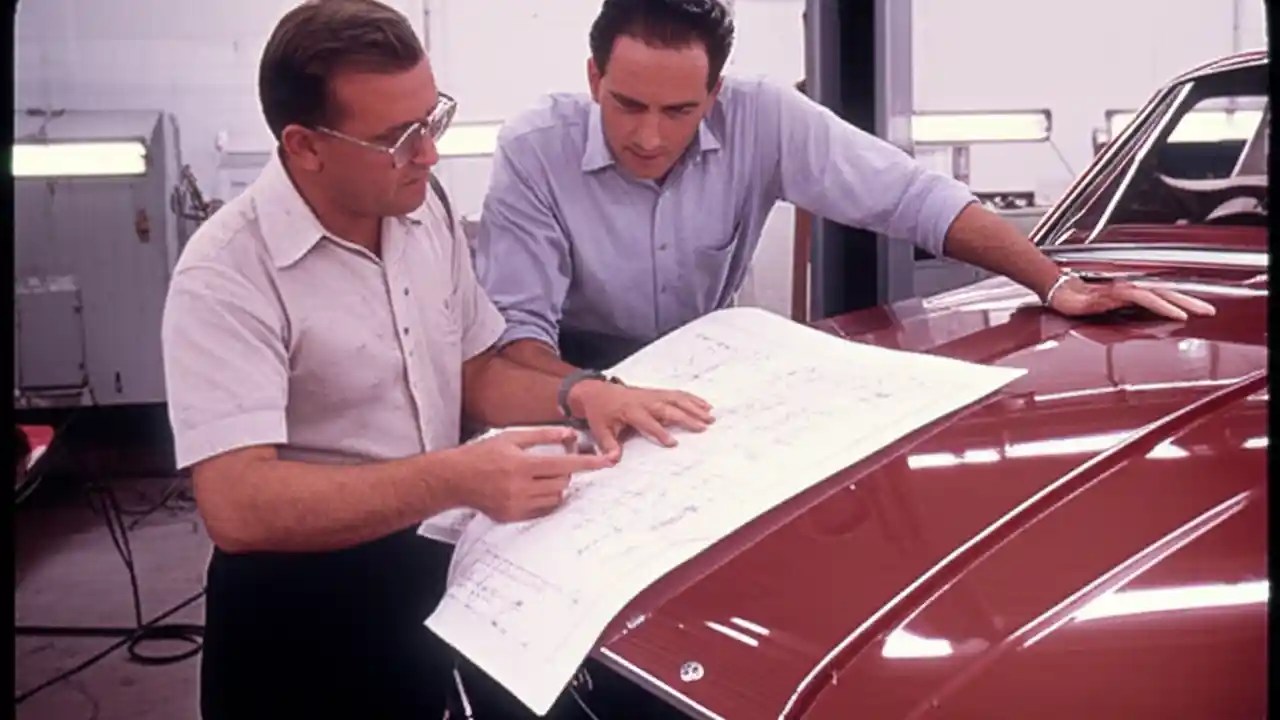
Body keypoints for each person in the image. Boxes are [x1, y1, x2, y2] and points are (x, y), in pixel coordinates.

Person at [159, 1, 714, 718]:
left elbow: (475, 370)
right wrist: (457, 477)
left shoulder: (420, 211)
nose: (430, 153)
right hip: (297, 606)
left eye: (432, 120)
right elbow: (237, 504)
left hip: (424, 563)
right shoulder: (230, 273)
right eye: (398, 137)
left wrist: (582, 394)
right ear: (304, 146)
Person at [474, 0, 1217, 374]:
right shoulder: (535, 148)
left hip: (708, 372)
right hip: (571, 377)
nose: (650, 137)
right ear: (593, 77)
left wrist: (1058, 286)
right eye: (627, 105)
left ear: (716, 92)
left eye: (680, 111)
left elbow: (913, 198)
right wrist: (593, 399)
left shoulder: (762, 114)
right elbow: (519, 338)